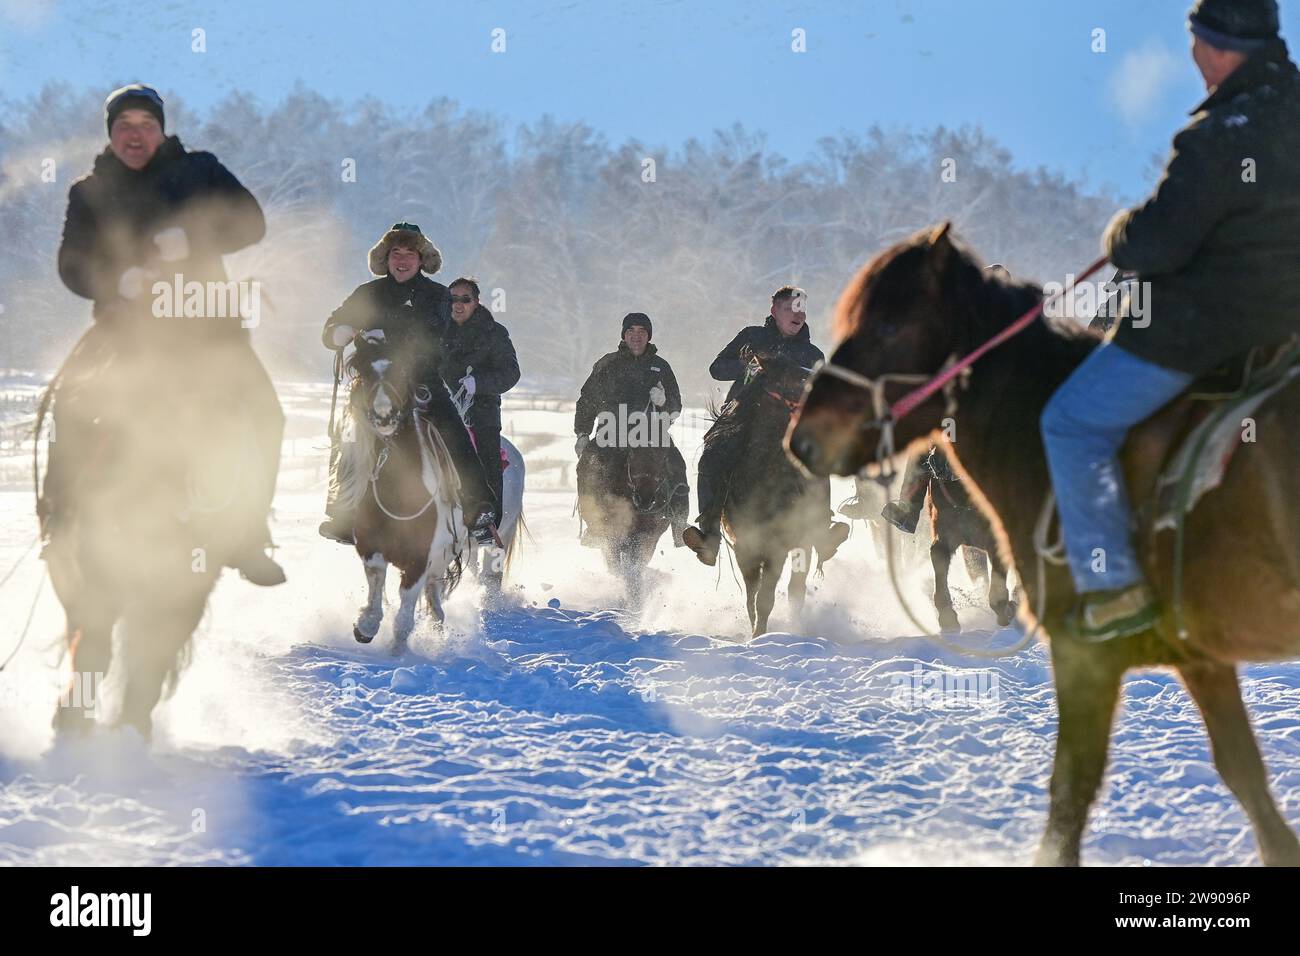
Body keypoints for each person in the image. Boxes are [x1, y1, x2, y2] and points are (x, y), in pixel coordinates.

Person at [1041, 0, 1300, 641]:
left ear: (1213, 45)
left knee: (1070, 422)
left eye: (1195, 41)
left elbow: (1157, 245)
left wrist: (1120, 229)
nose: (1192, 56)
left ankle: (1115, 589)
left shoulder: (1218, 135)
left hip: (1208, 333)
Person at [48, 83, 285, 585]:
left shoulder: (200, 170)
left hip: (206, 329)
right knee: (69, 405)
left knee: (267, 414)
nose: (135, 135)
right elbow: (71, 266)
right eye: (124, 126)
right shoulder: (87, 190)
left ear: (162, 130)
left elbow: (252, 223)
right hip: (124, 332)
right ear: (111, 134)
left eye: (145, 125)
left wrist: (192, 236)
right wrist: (119, 280)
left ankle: (245, 532)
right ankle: (62, 522)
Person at [319, 223, 497, 545]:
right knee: (347, 436)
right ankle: (343, 513)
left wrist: (385, 340)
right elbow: (334, 324)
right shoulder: (367, 294)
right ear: (385, 259)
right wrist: (338, 332)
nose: (402, 260)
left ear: (421, 259)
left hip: (421, 383)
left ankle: (478, 510)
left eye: (409, 254)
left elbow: (433, 335)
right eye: (395, 253)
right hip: (372, 384)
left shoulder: (437, 296)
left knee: (453, 431)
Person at [681, 286, 849, 566]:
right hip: (744, 417)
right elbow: (716, 368)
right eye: (789, 309)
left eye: (800, 309)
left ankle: (821, 534)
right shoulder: (752, 336)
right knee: (712, 456)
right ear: (774, 311)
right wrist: (744, 366)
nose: (796, 315)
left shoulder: (812, 353)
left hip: (792, 424)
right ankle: (709, 536)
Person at [574, 313, 689, 545]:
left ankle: (679, 523)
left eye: (642, 332)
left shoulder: (660, 367)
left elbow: (675, 406)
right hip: (611, 434)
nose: (636, 337)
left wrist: (664, 402)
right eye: (631, 332)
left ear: (648, 336)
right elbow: (587, 400)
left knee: (677, 464)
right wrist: (583, 433)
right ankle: (594, 525)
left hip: (650, 435)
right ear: (624, 335)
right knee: (587, 467)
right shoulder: (607, 364)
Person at [438, 277, 520, 528]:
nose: (458, 305)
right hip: (439, 409)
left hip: (481, 413)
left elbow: (510, 372)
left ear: (476, 302)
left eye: (465, 299)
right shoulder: (436, 329)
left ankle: (488, 520)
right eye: (453, 299)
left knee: (486, 461)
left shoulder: (494, 333)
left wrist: (479, 383)